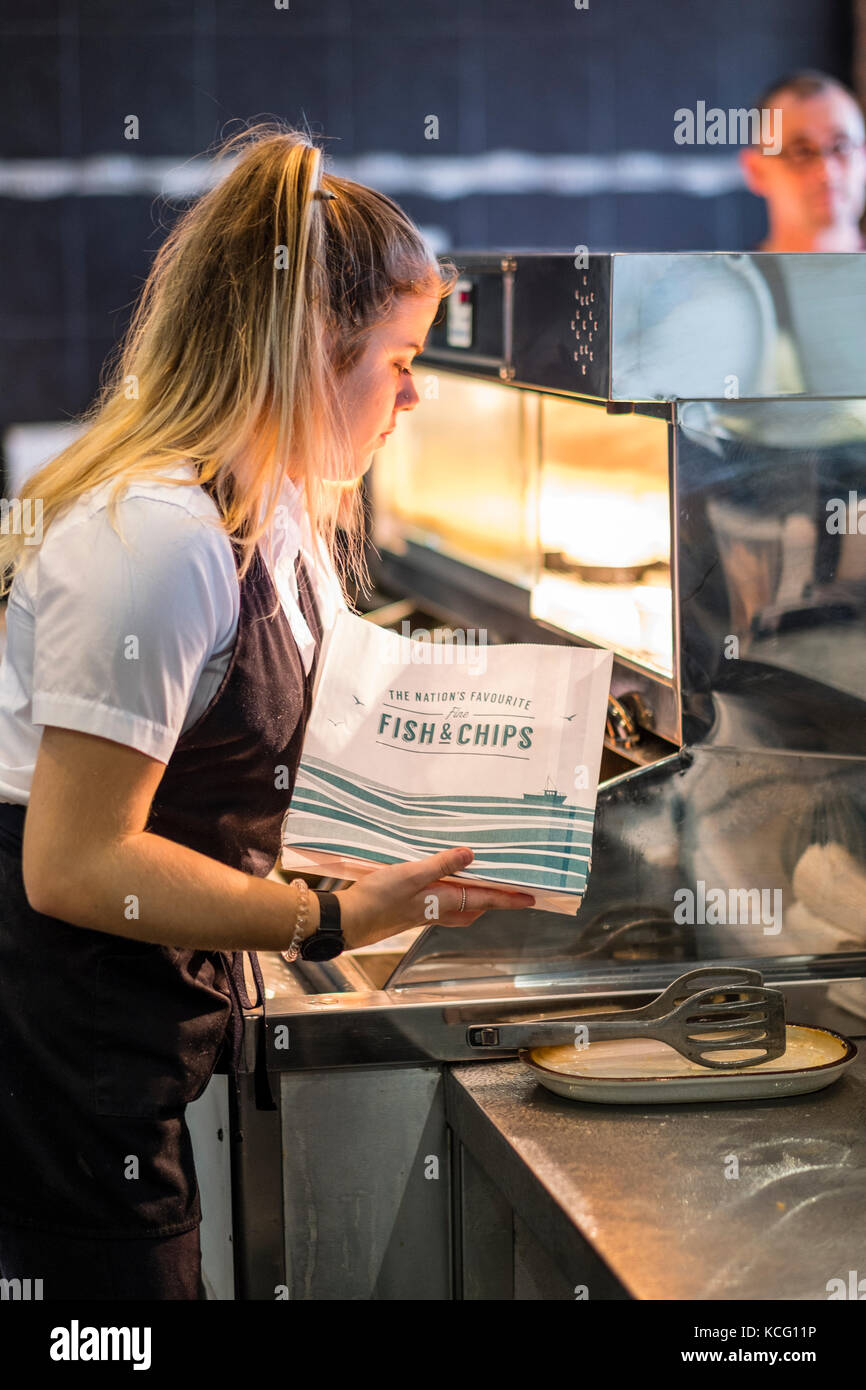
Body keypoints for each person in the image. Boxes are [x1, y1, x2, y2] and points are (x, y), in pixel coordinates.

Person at [0, 124, 536, 1301]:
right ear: (306, 347)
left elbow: (245, 756)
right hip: (59, 1069)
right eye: (397, 359)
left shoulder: (274, 505)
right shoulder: (159, 541)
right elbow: (78, 862)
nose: (409, 395)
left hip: (133, 1043)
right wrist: (324, 918)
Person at [739, 69, 866, 251]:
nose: (827, 172)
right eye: (801, 152)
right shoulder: (722, 279)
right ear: (755, 171)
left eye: (841, 147)